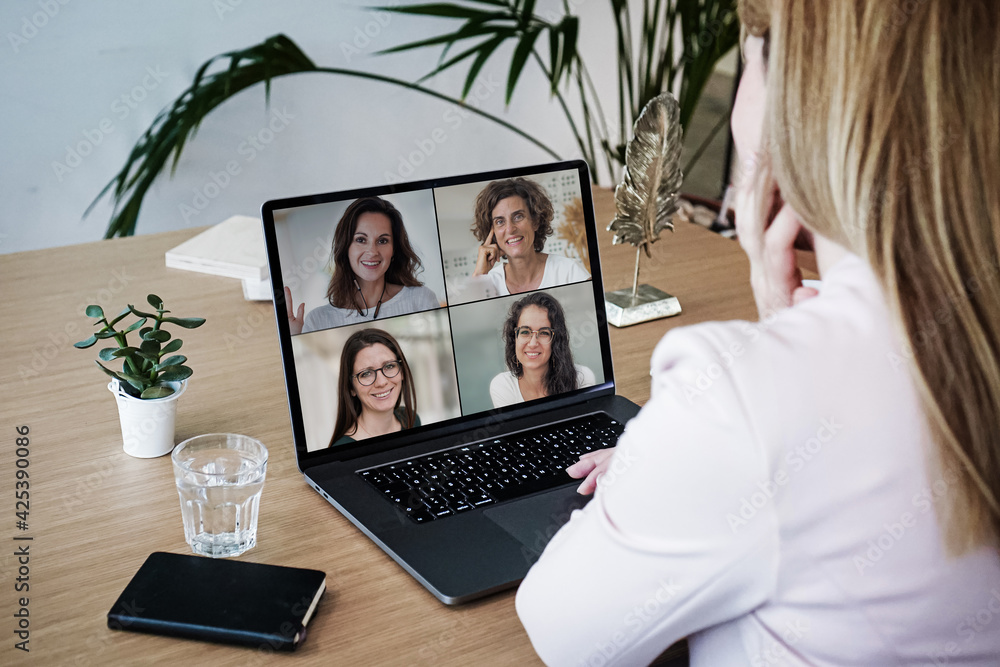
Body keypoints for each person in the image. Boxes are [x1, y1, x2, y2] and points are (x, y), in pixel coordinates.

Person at [516, 2, 1000, 665]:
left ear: (790, 102)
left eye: (748, 56)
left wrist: (659, 456)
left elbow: (564, 630)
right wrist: (788, 333)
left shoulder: (740, 402)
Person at [286, 197, 440, 334]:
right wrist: (297, 338)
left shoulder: (422, 300)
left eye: (382, 241)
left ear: (394, 249)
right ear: (346, 247)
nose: (372, 251)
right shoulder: (317, 320)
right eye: (361, 240)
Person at [470, 178, 590, 296]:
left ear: (535, 221)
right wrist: (479, 275)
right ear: (493, 233)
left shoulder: (569, 272)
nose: (510, 229)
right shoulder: (486, 284)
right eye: (500, 222)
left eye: (518, 217)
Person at [490, 292, 595, 408]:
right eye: (525, 332)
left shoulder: (582, 378)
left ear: (556, 340)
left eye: (544, 333)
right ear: (514, 338)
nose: (533, 343)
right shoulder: (503, 386)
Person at [329, 328, 419, 447]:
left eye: (389, 366)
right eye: (366, 373)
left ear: (401, 371)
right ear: (351, 388)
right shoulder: (342, 449)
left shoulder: (410, 419)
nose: (381, 382)